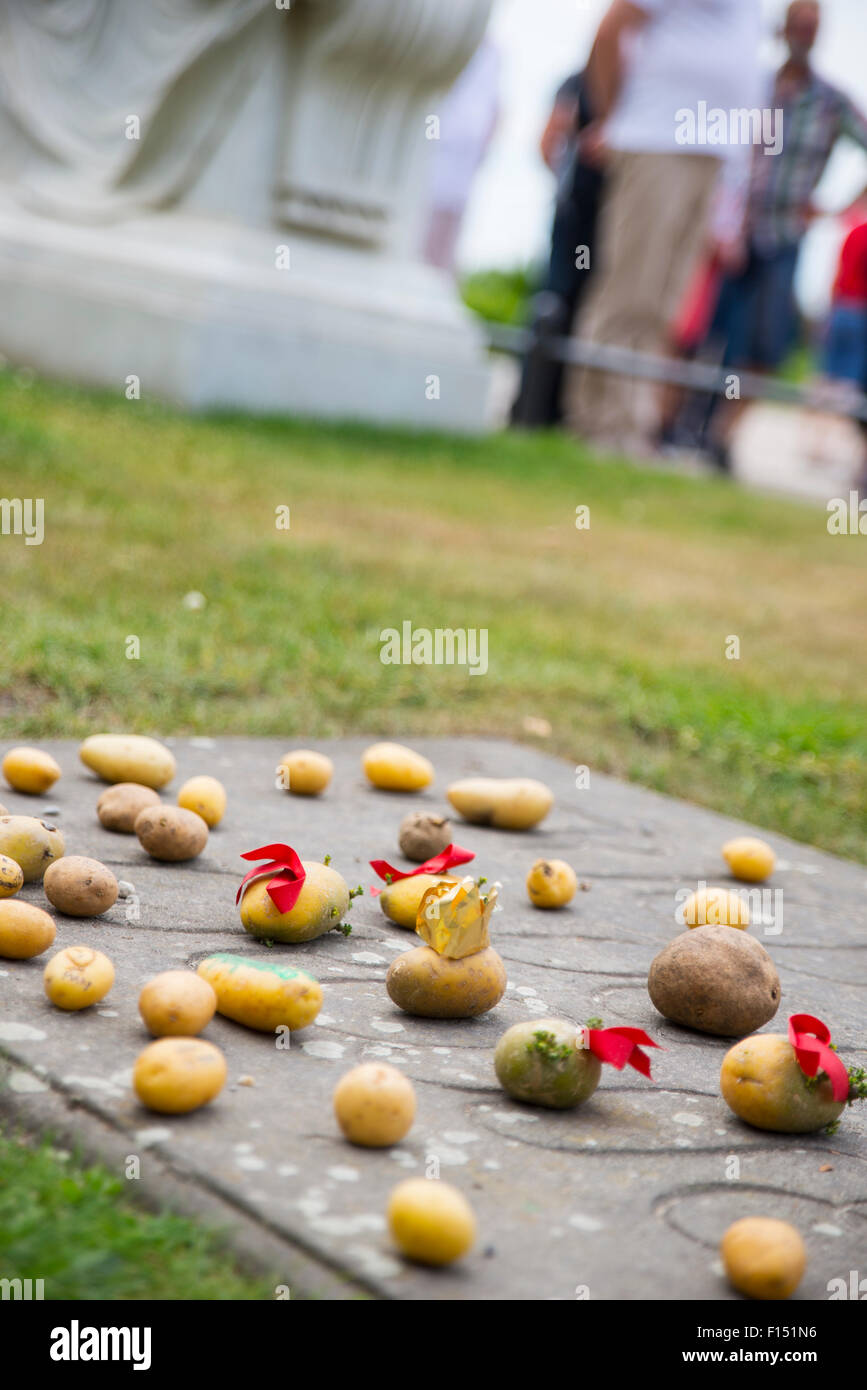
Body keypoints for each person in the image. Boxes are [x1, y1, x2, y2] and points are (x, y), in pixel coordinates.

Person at [563, 0, 762, 456]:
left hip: (710, 156)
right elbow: (612, 27)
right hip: (656, 140)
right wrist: (611, 118)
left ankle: (632, 424)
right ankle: (598, 424)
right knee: (631, 290)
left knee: (663, 304)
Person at [707, 1, 867, 469]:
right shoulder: (751, 86)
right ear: (782, 29)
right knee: (710, 334)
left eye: (812, 27)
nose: (804, 34)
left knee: (765, 344)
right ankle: (680, 428)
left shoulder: (830, 101)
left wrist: (838, 207)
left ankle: (722, 435)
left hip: (784, 235)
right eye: (798, 25)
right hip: (726, 229)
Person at [511, 70, 604, 426]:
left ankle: (552, 410)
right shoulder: (578, 82)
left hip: (595, 217)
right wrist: (567, 183)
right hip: (575, 214)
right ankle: (532, 407)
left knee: (575, 302)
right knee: (556, 300)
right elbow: (547, 141)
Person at [421, 38, 500, 276]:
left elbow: (497, 106)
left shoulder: (495, 53)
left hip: (464, 169)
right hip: (433, 161)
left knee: (446, 246)